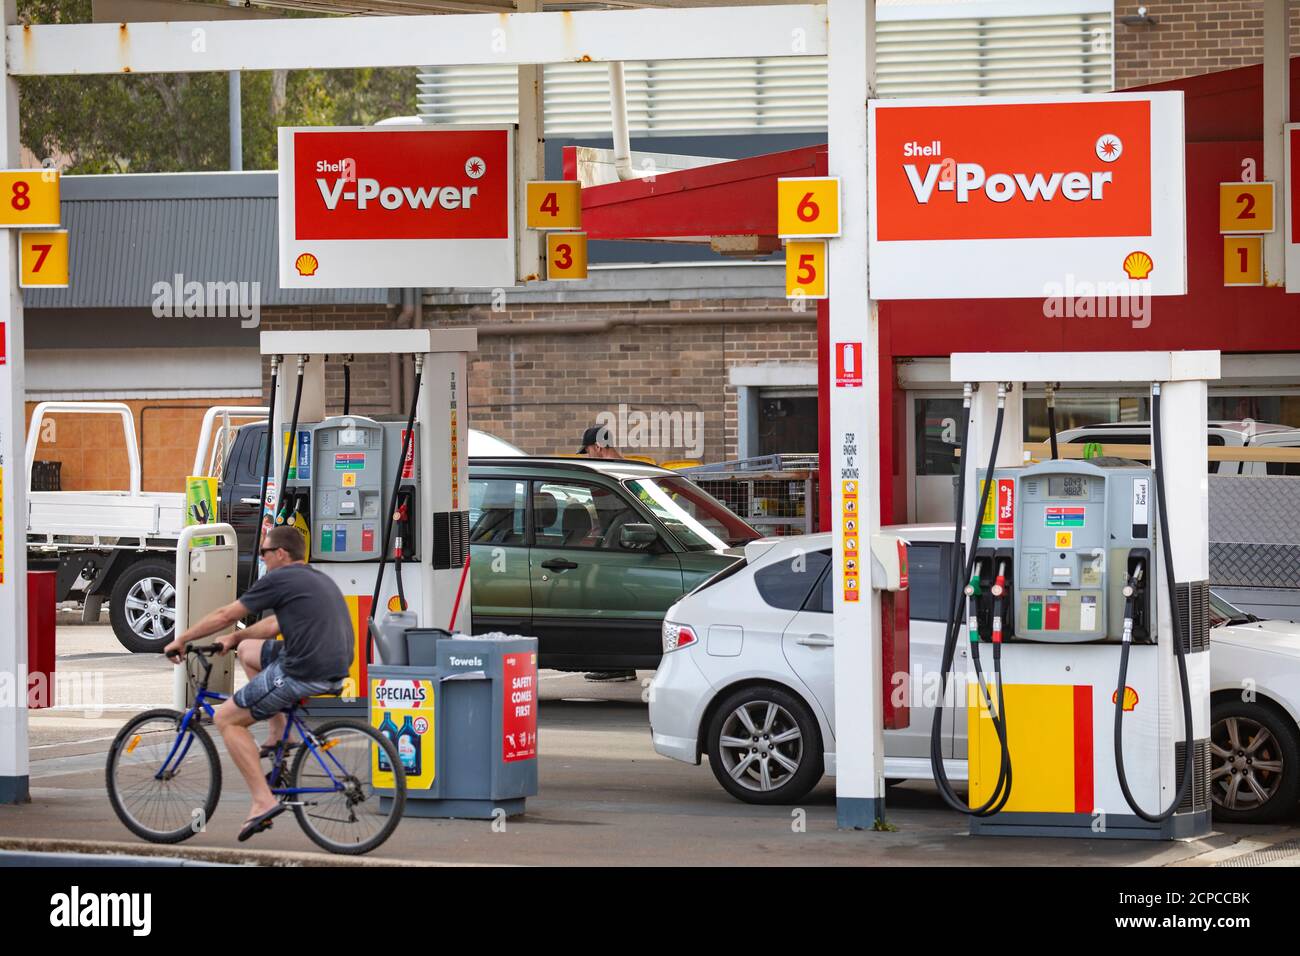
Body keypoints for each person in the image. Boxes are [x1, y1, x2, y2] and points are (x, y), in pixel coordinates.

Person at [163, 524, 354, 842]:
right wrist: (237, 637)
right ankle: (281, 732)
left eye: (264, 553)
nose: (262, 559)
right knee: (249, 651)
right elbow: (275, 625)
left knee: (226, 718)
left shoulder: (279, 578)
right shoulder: (314, 578)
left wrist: (181, 639)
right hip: (333, 665)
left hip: (303, 670)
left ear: (281, 554)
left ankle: (263, 801)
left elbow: (226, 613)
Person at [576, 425, 636, 683]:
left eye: (588, 450)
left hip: (618, 546)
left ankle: (616, 665)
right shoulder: (630, 468)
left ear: (598, 447)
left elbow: (613, 516)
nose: (588, 455)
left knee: (604, 600)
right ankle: (621, 665)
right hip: (627, 543)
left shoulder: (605, 474)